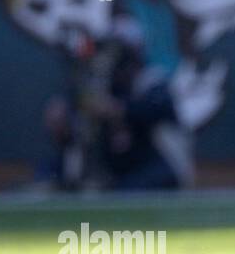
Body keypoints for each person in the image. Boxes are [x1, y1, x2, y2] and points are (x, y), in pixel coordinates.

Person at [40, 17, 192, 191]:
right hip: (115, 168)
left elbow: (159, 108)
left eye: (119, 53)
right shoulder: (104, 85)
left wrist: (116, 109)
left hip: (160, 167)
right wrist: (63, 115)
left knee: (130, 188)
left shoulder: (151, 80)